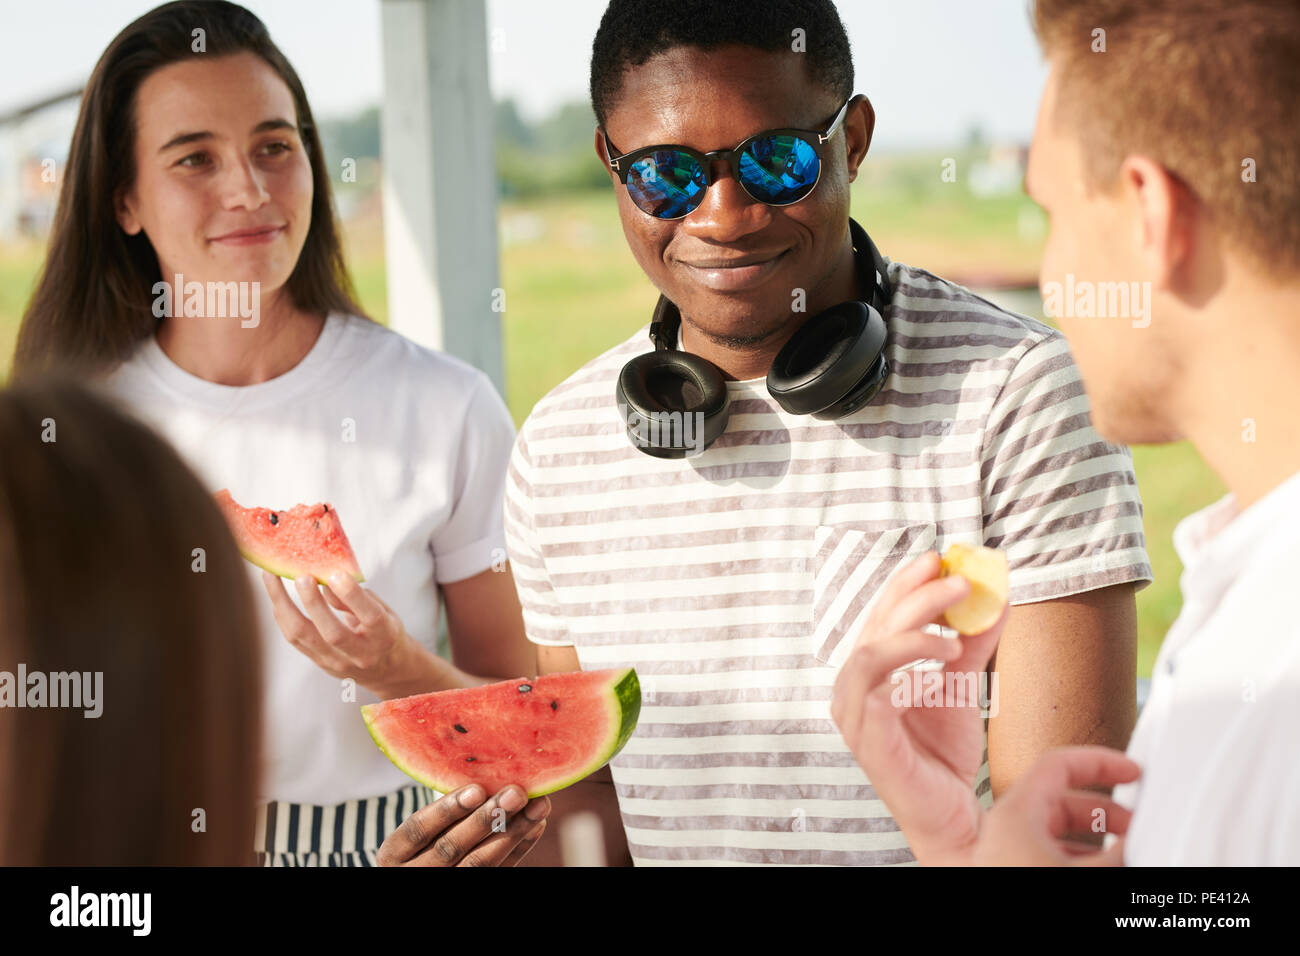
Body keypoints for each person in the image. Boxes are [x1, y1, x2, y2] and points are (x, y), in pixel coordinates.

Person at [504, 0, 1152, 865]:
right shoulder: (555, 450)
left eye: (778, 162)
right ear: (610, 164)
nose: (725, 215)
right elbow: (590, 799)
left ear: (853, 140)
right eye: (666, 174)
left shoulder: (1020, 396)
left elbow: (1065, 835)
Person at [12, 0, 548, 866]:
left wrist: (396, 667)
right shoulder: (76, 438)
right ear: (124, 201)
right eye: (195, 158)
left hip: (402, 846)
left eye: (275, 146)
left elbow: (524, 725)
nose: (250, 191)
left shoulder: (447, 405)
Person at [831, 0, 1300, 865]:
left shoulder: (1278, 678)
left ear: (1149, 216)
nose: (1050, 281)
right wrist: (956, 835)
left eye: (1052, 214)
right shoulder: (1249, 592)